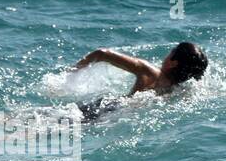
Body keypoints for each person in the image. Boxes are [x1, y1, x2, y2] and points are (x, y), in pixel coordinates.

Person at [72, 41, 208, 120]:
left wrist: (71, 73)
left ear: (173, 63)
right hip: (112, 118)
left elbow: (101, 54)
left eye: (172, 51)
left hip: (104, 109)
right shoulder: (181, 89)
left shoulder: (151, 73)